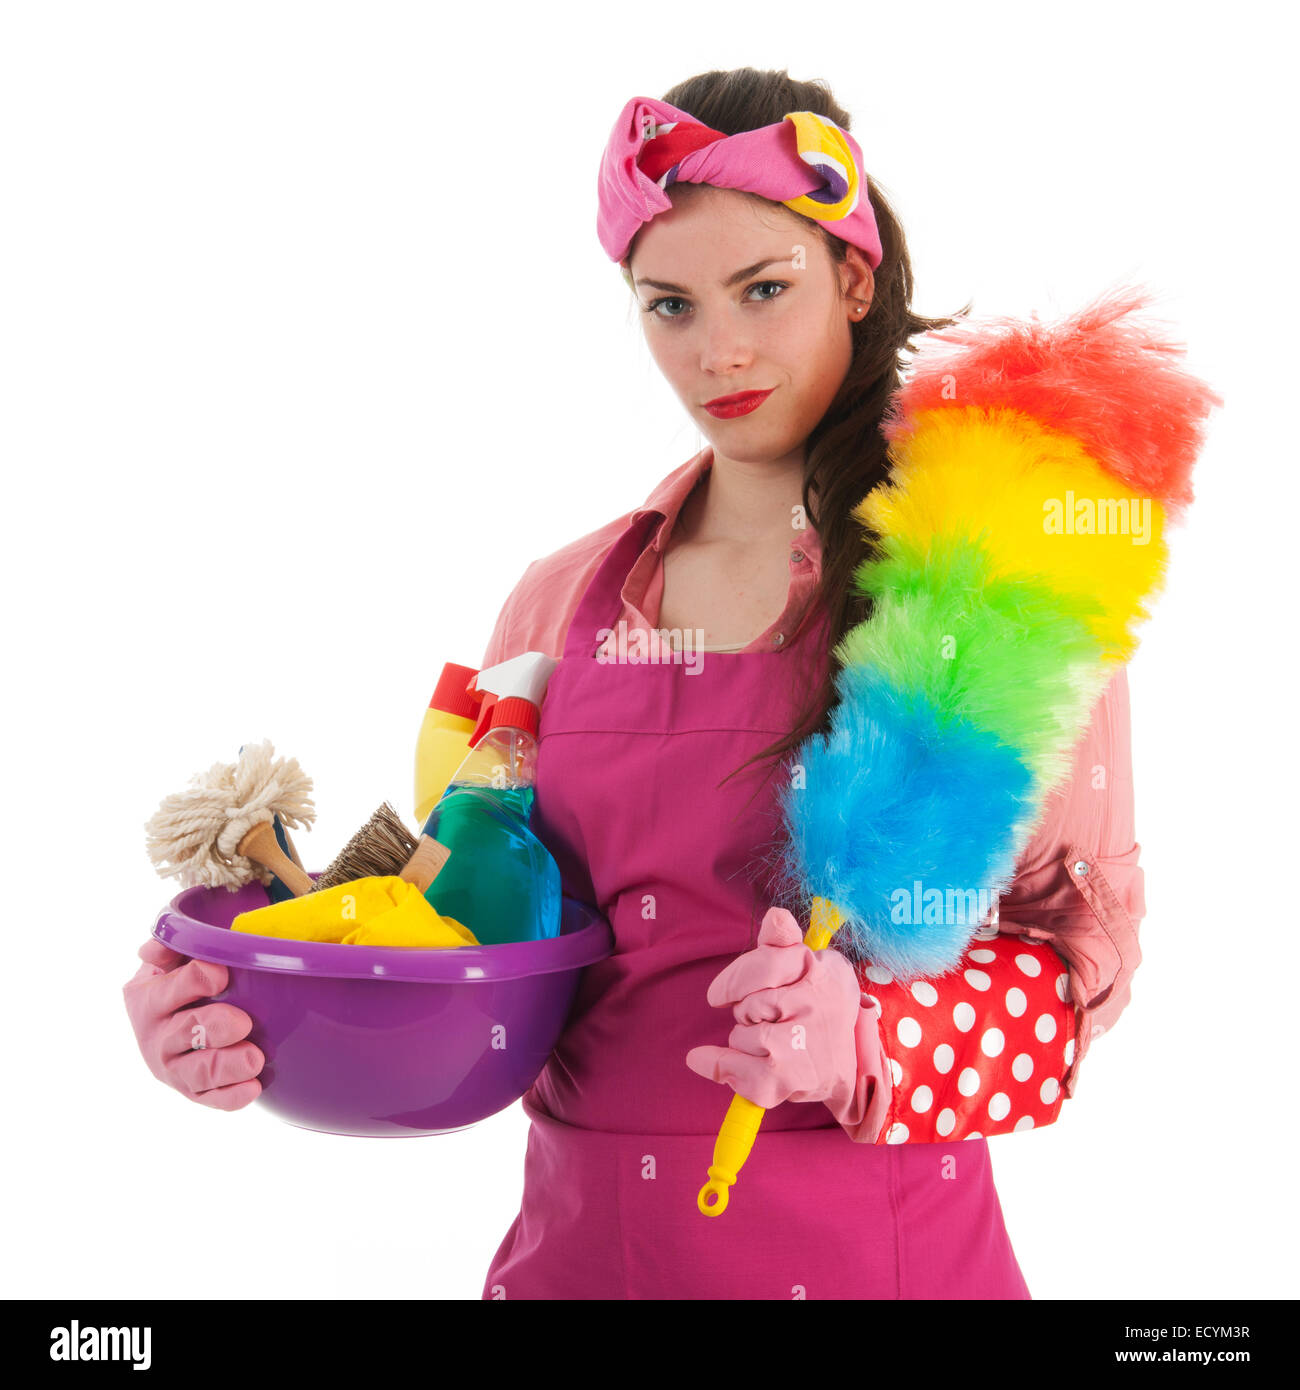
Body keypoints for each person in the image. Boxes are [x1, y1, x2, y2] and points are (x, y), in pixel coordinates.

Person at [124, 67, 1145, 1299]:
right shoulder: (556, 603)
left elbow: (1069, 972)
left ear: (854, 278)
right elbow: (468, 923)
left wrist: (864, 1036)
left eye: (764, 289)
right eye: (669, 305)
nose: (718, 351)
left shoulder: (988, 597)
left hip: (877, 1262)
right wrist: (250, 1004)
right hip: (582, 1264)